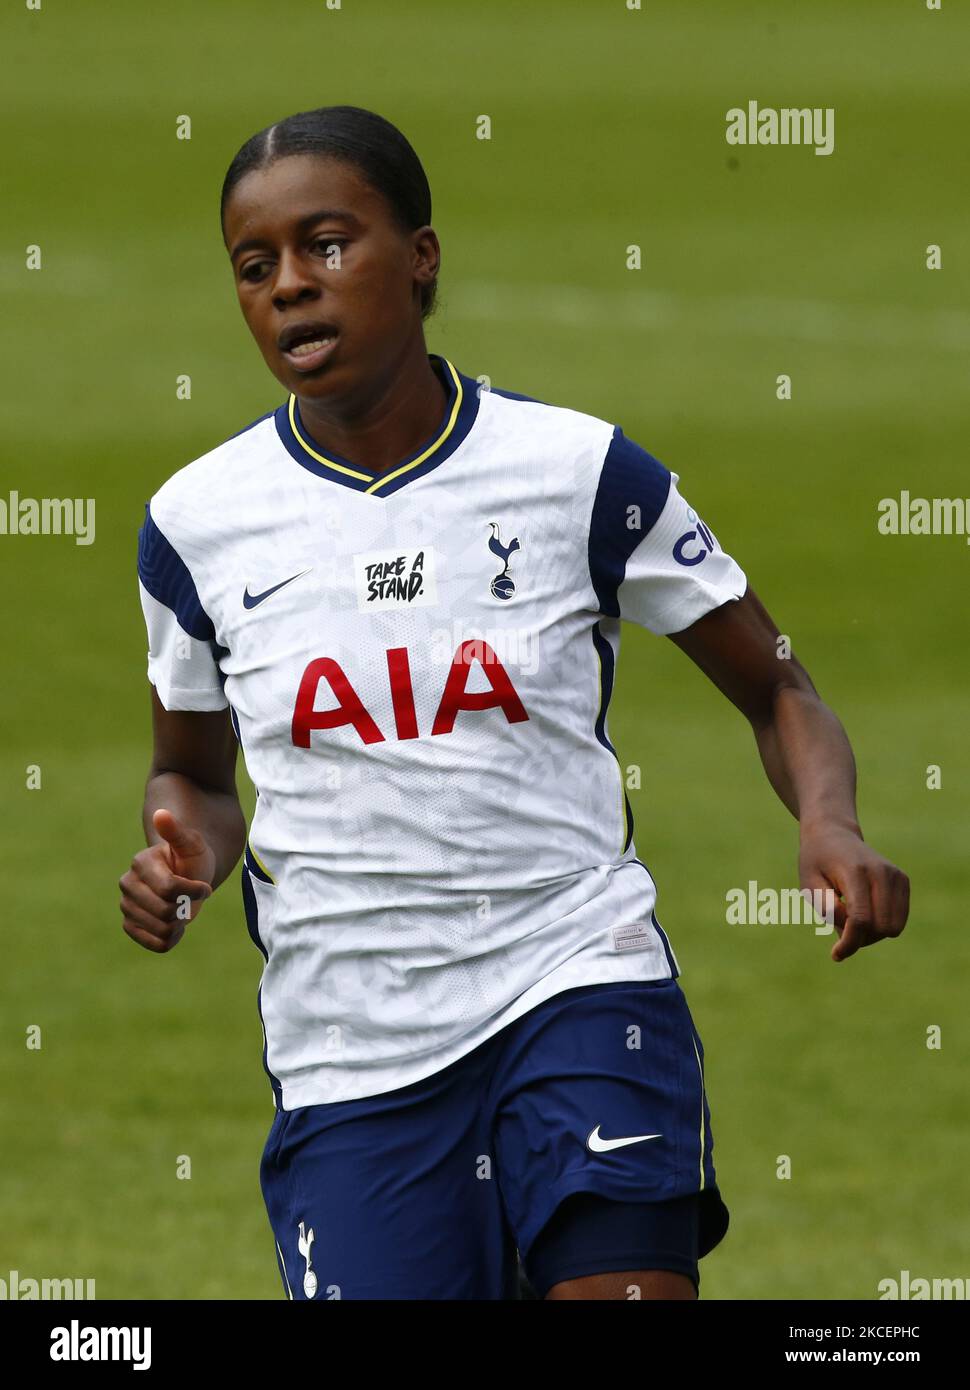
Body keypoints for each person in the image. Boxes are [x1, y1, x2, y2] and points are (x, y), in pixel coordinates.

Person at [120, 105, 910, 1301]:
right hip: (352, 1047)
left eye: (326, 244)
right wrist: (184, 851)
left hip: (574, 978)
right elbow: (194, 773)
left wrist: (829, 821)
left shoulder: (576, 474)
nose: (290, 286)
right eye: (255, 264)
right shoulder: (197, 524)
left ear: (421, 256)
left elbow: (775, 684)